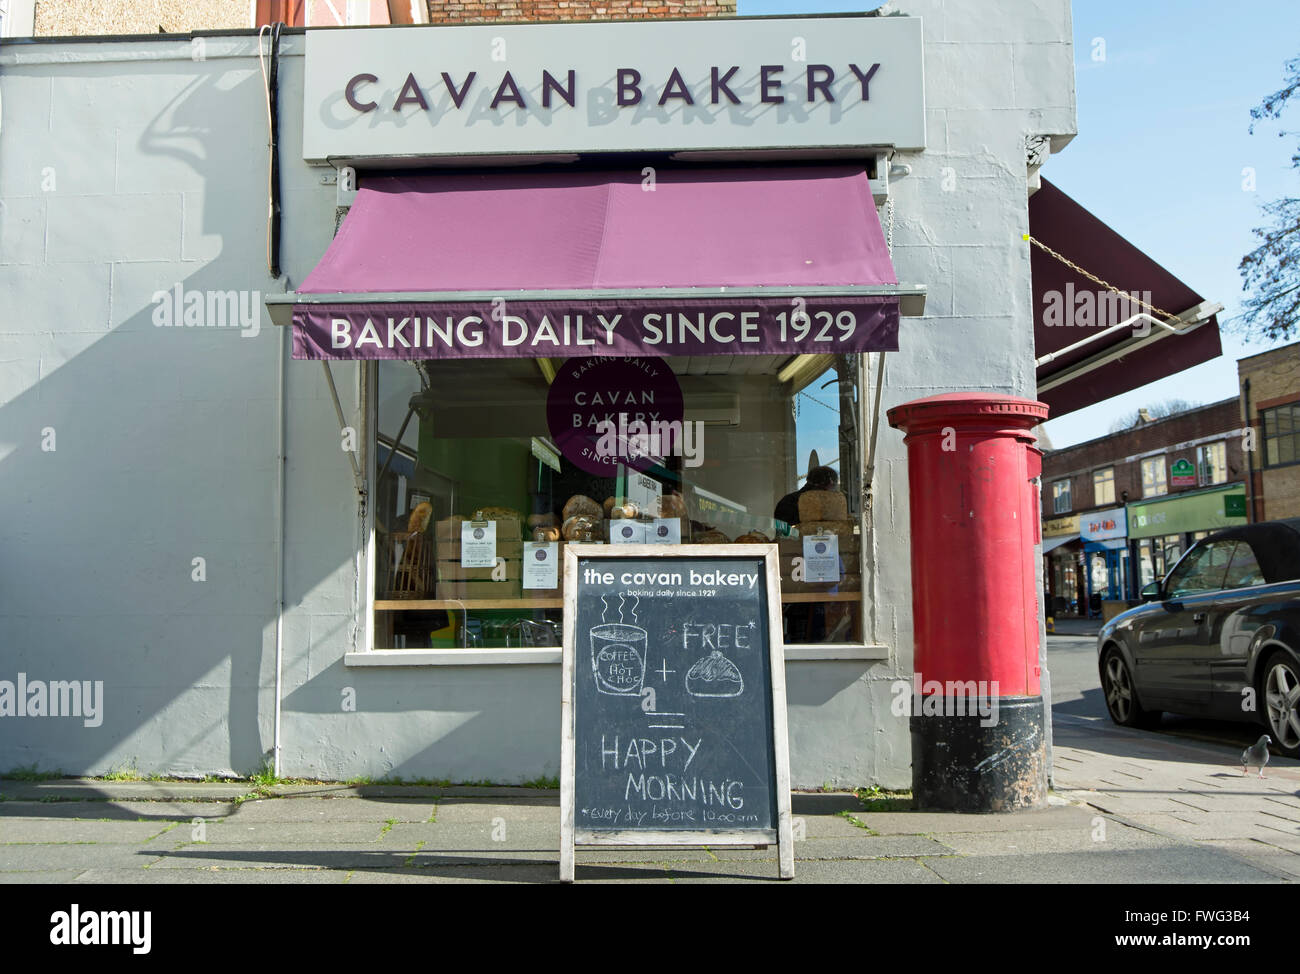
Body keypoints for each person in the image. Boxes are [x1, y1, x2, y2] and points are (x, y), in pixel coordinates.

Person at [774, 465, 839, 534]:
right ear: (830, 483)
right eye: (834, 486)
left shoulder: (788, 500)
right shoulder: (821, 505)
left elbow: (782, 534)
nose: (834, 492)